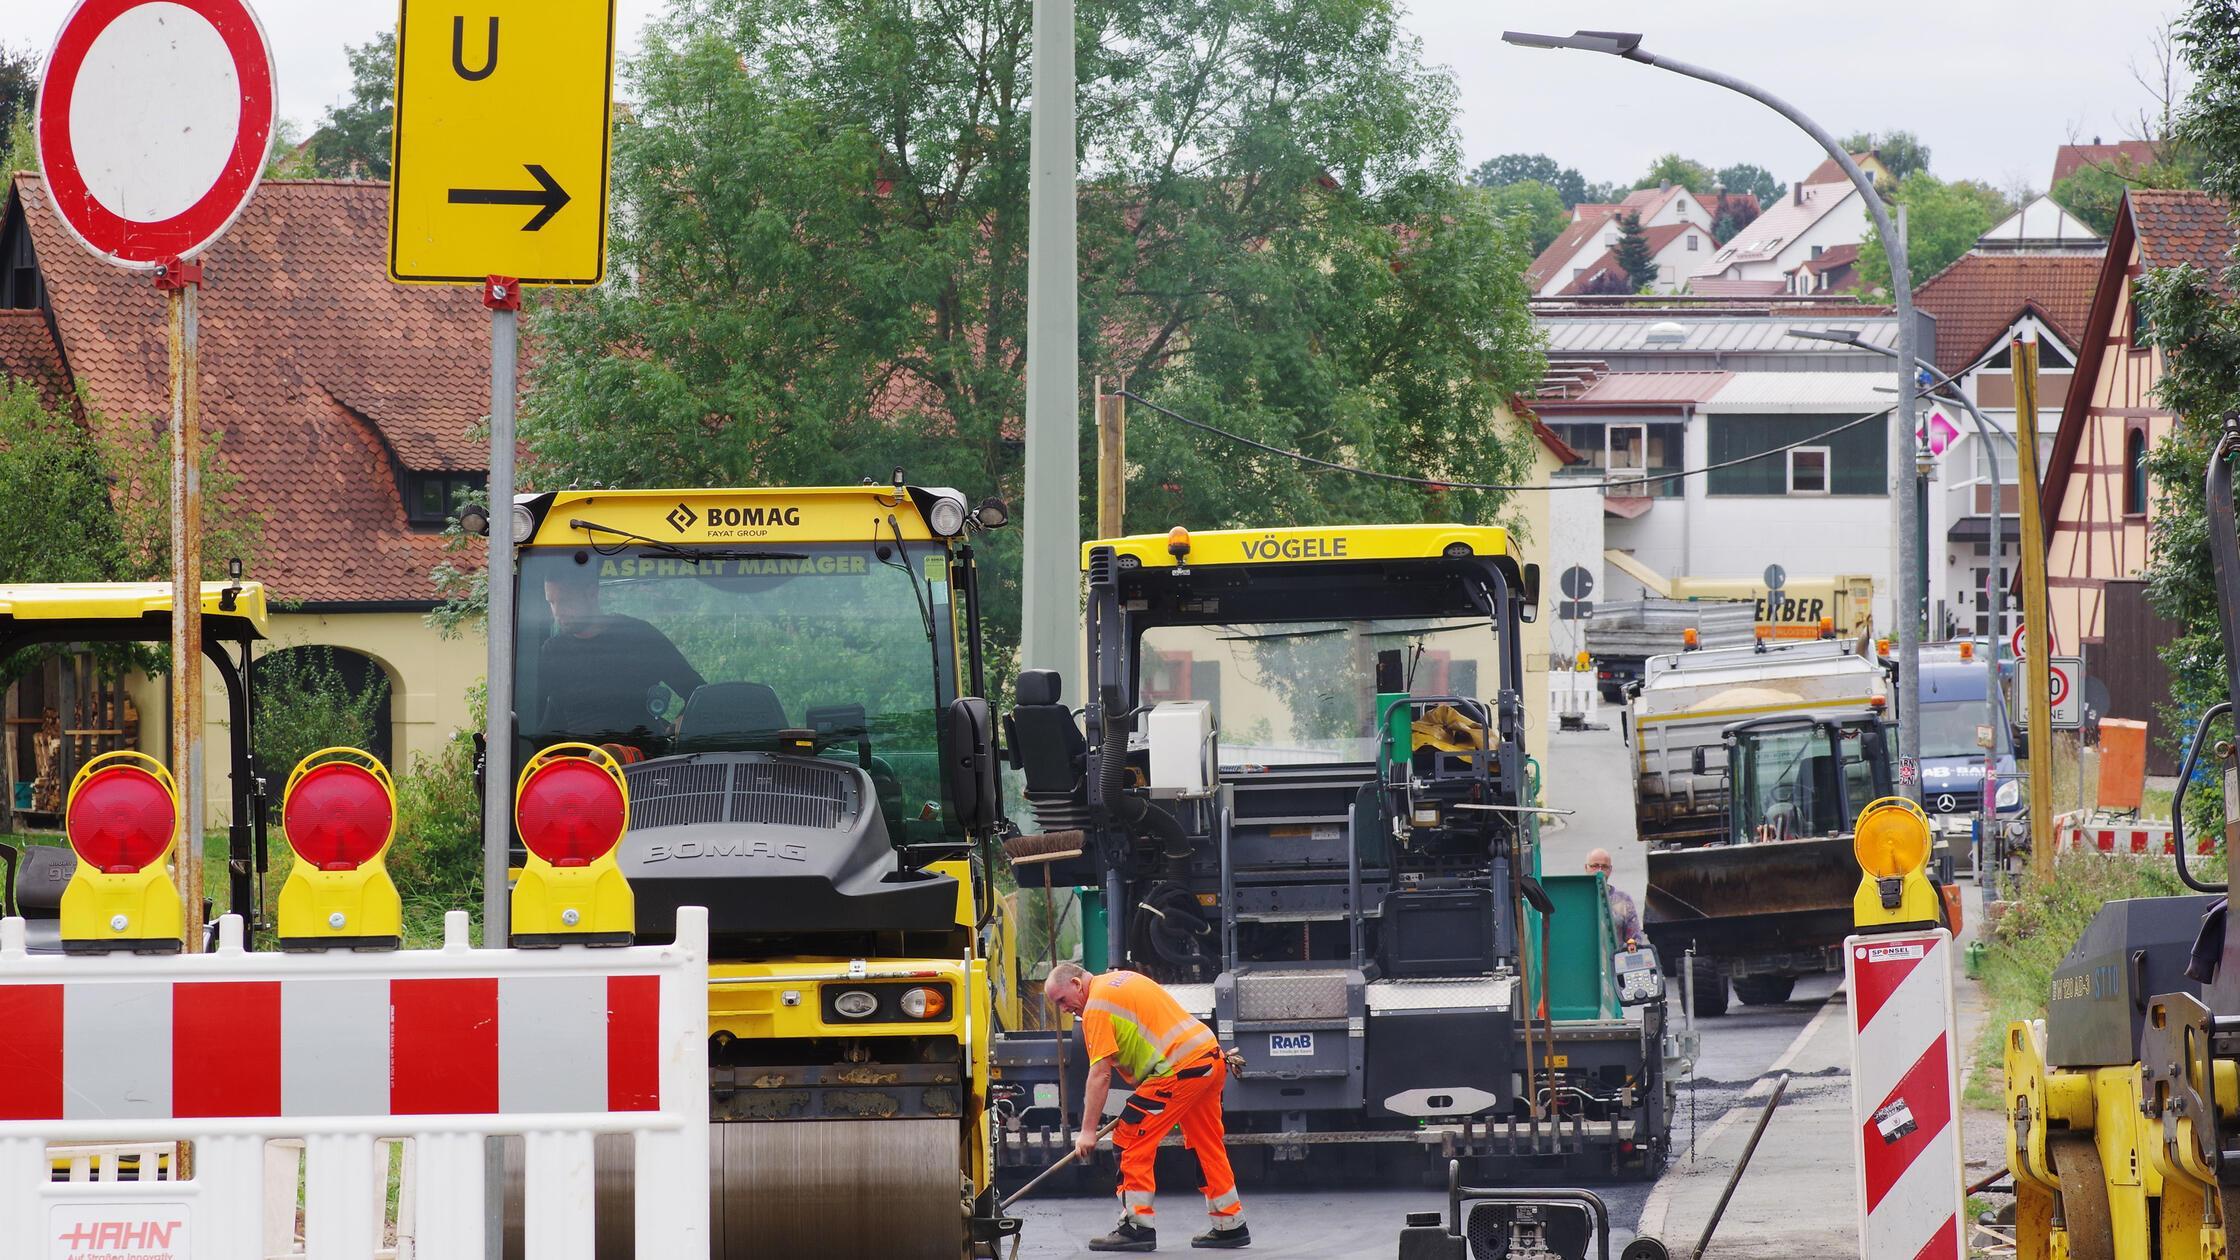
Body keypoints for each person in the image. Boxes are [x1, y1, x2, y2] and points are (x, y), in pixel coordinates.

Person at [1045, 961, 1248, 1252]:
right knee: (1207, 1144)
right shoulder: (1122, 979)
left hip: (1179, 1070)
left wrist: (1088, 1131)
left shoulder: (1096, 1008)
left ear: (1077, 984)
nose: (1063, 1008)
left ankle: (1136, 1227)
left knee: (1129, 1136)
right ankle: (1230, 1225)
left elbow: (1100, 1074)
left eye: (1062, 1000)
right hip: (1208, 1060)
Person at [537, 564, 706, 740]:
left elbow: (696, 691)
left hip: (641, 761)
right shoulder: (553, 651)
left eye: (565, 601)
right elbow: (546, 716)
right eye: (551, 603)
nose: (557, 612)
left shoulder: (639, 636)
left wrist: (682, 720)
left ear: (592, 593)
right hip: (579, 764)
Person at [1587, 848, 1641, 948]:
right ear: (1586, 868)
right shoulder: (1578, 900)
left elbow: (1635, 938)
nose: (1599, 871)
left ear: (1610, 869)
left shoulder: (1624, 900)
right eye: (1594, 866)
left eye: (1604, 867)